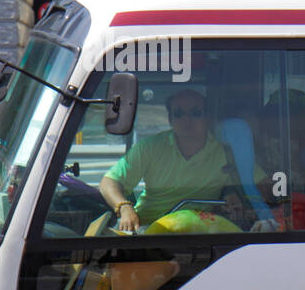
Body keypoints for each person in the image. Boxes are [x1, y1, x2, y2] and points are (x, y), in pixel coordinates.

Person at [100, 88, 252, 232]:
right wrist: (125, 208)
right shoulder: (149, 148)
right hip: (149, 228)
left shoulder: (226, 152)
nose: (187, 119)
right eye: (179, 114)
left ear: (208, 117)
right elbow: (109, 182)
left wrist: (232, 194)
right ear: (170, 119)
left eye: (195, 113)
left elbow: (258, 186)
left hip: (202, 233)